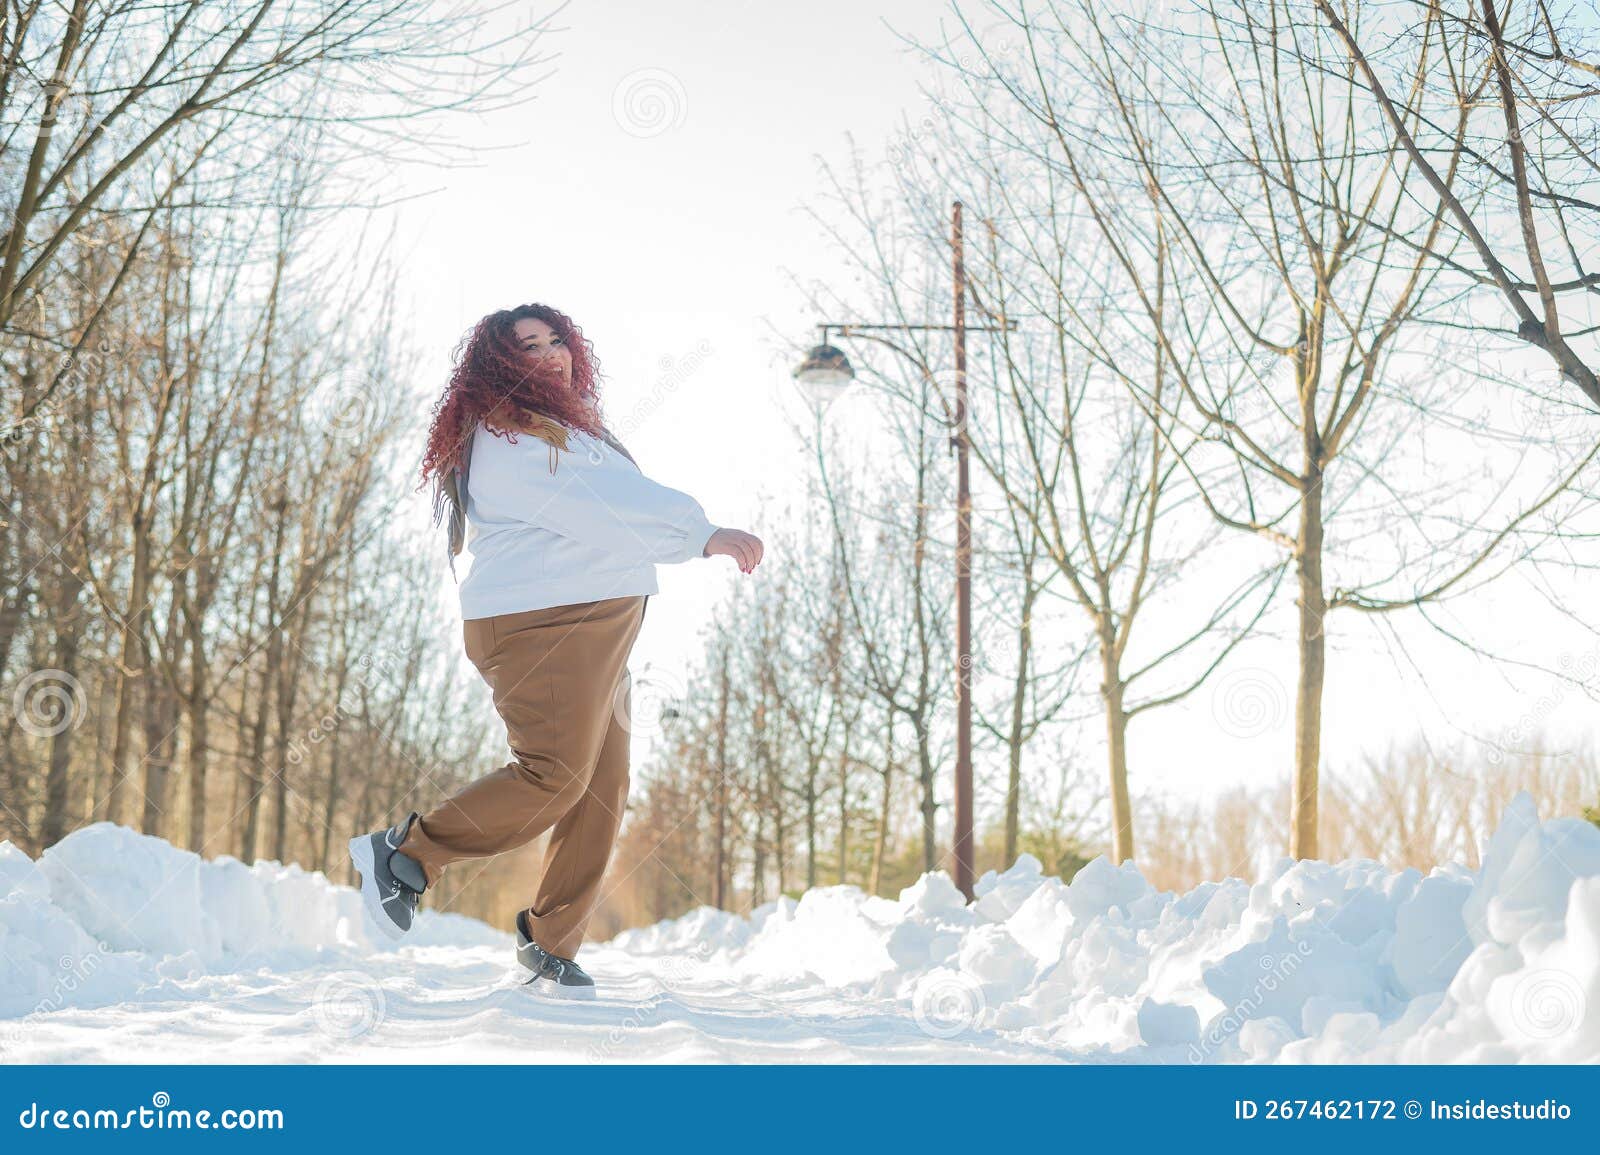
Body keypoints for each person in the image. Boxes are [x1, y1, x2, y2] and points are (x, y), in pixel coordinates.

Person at [348, 303, 762, 998]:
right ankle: (405, 853)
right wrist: (701, 532)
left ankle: (552, 940)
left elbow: (608, 497)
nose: (550, 355)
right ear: (500, 367)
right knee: (554, 775)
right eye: (529, 347)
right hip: (543, 628)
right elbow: (600, 503)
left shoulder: (570, 431)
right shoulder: (508, 434)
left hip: (595, 632)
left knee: (601, 789)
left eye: (556, 341)